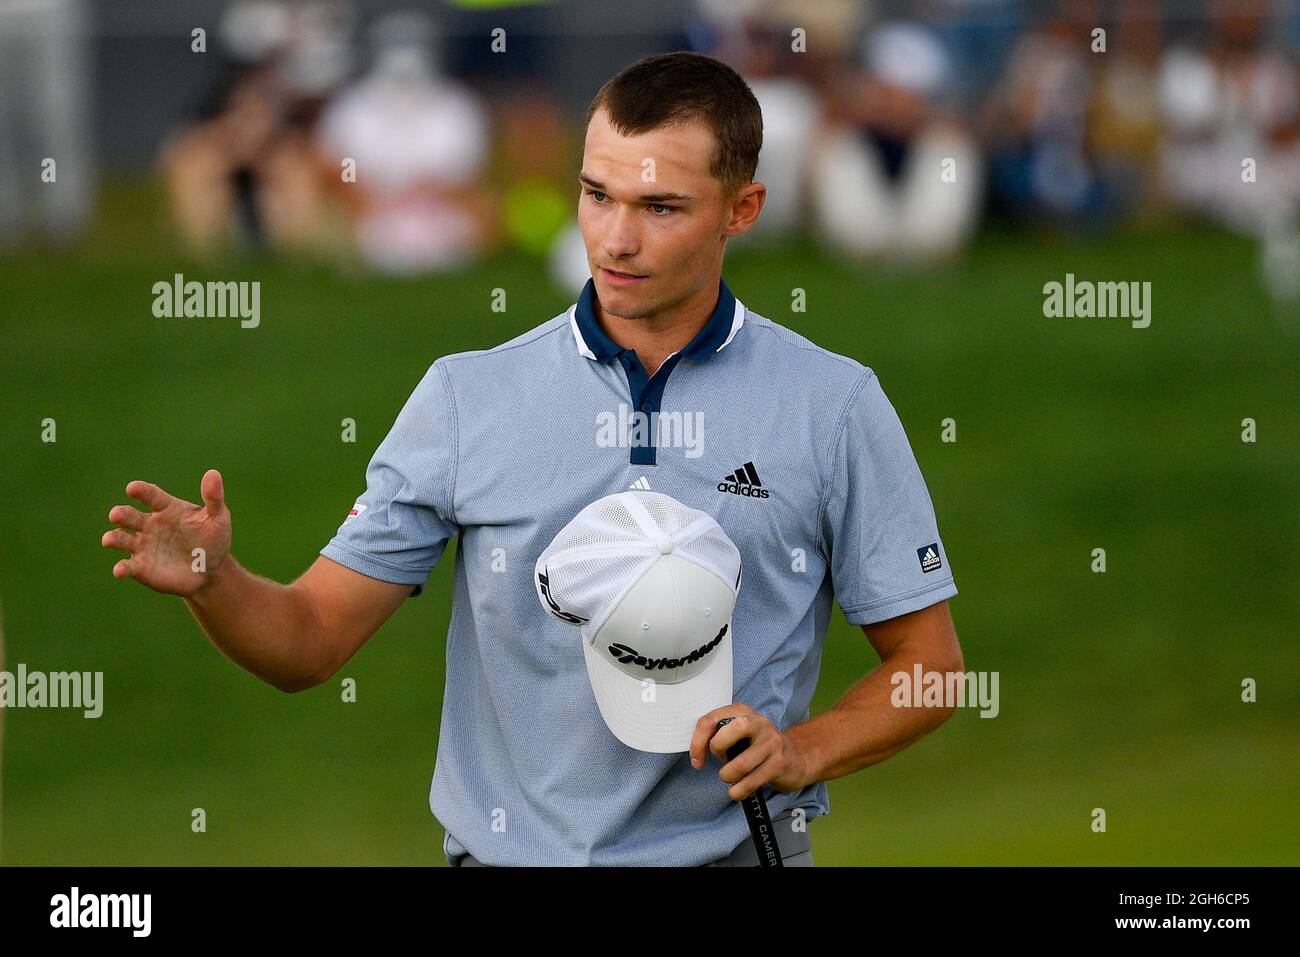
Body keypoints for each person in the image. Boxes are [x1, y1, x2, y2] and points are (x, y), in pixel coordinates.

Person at [101, 51, 963, 867]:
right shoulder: (465, 400)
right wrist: (219, 581)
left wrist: (801, 749)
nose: (615, 238)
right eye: (596, 194)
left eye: (660, 207)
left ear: (742, 209)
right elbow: (308, 640)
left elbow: (930, 666)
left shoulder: (831, 403)